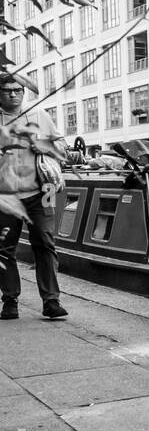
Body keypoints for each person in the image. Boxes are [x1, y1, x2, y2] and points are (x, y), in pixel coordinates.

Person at [0, 79, 68, 320]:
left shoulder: (38, 114)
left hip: (42, 192)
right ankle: (10, 301)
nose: (13, 95)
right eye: (7, 91)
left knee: (46, 244)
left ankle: (51, 301)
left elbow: (62, 146)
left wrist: (44, 146)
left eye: (18, 90)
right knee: (4, 249)